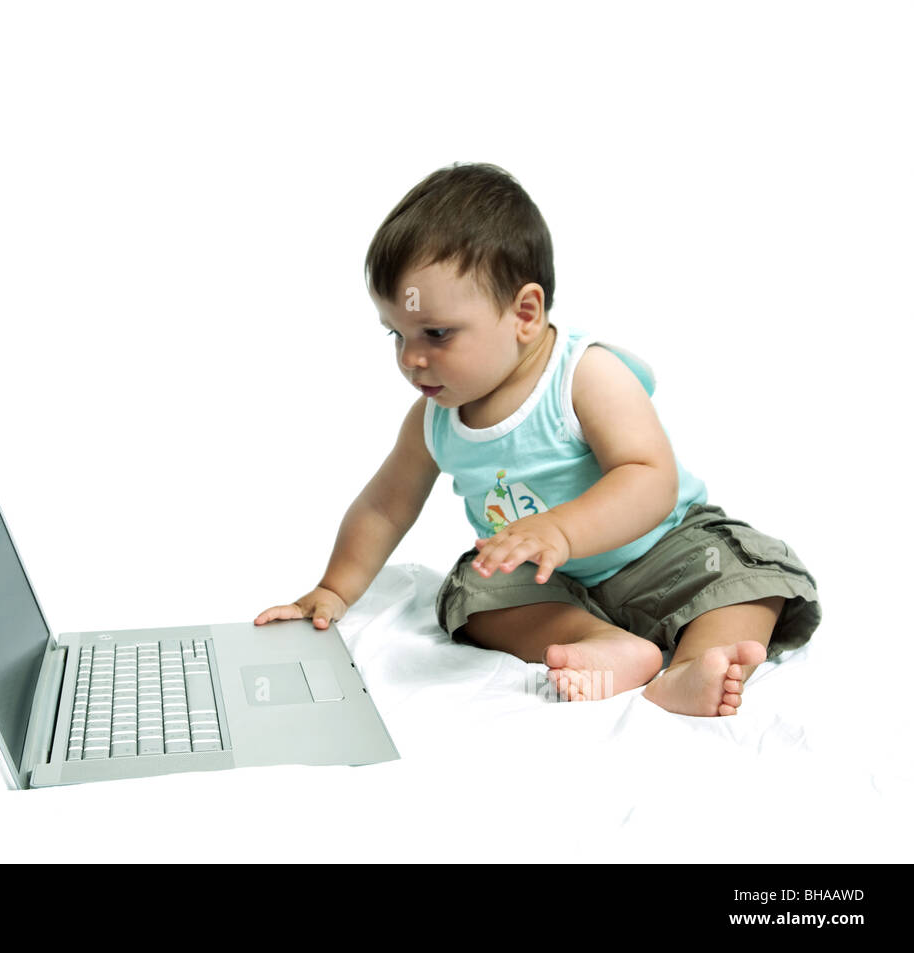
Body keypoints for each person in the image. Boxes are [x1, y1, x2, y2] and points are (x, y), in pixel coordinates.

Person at [254, 162, 821, 716]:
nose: (411, 358)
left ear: (524, 312)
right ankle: (606, 644)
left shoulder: (583, 374)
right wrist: (333, 590)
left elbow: (649, 476)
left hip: (662, 551)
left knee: (744, 577)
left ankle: (697, 666)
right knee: (474, 598)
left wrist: (560, 529)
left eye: (436, 333)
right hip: (549, 583)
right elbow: (383, 507)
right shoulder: (433, 419)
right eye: (396, 335)